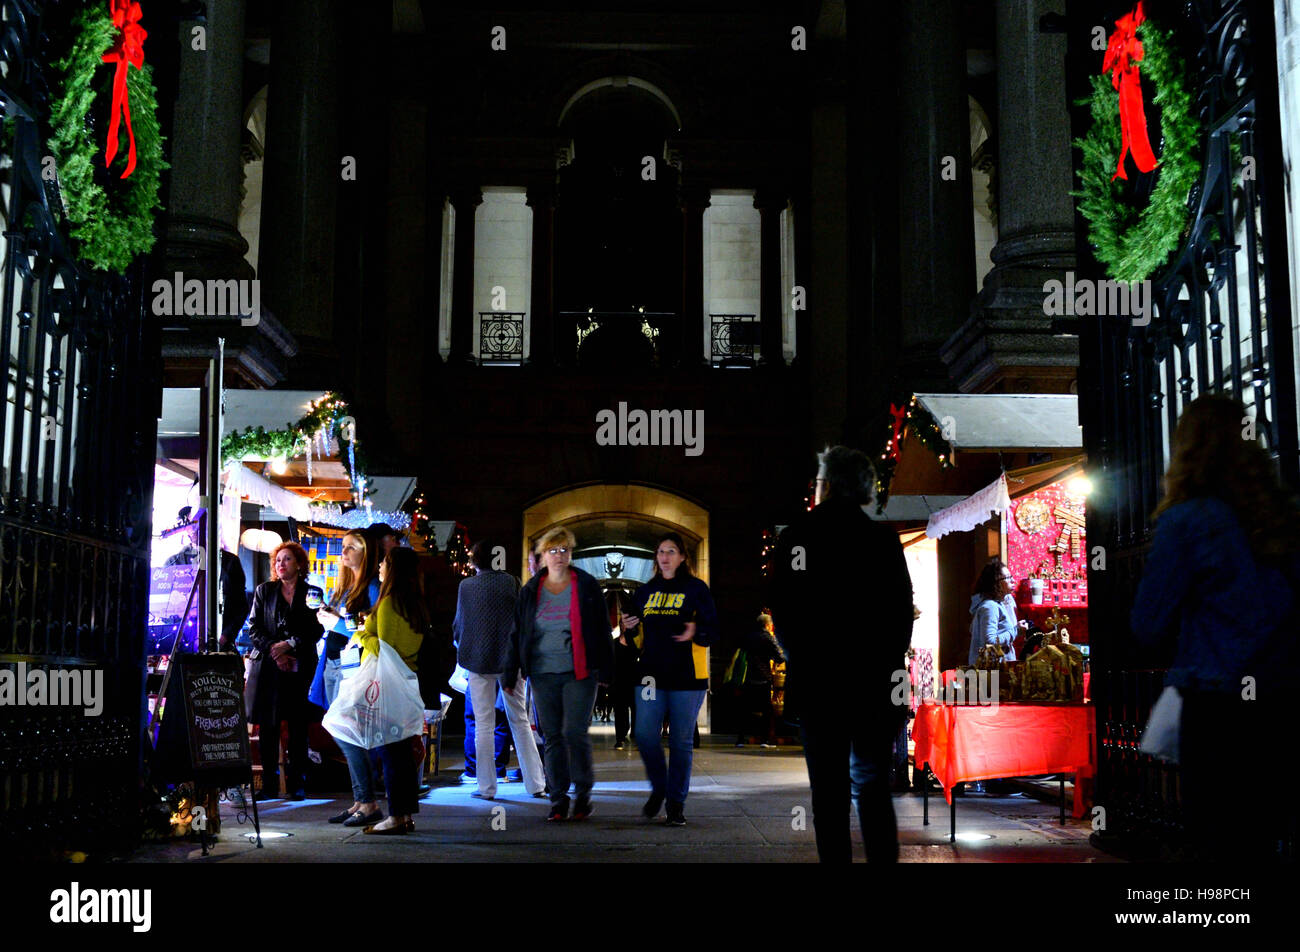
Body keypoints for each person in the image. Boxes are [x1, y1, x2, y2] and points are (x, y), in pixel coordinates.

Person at [1131, 394, 1299, 862]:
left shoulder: (1186, 521)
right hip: (1282, 698)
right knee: (1266, 833)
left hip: (1214, 701)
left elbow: (1148, 623)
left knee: (1218, 840)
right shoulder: (1282, 518)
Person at [771, 445, 914, 862]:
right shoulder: (882, 540)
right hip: (873, 683)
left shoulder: (797, 537)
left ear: (827, 484)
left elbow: (785, 613)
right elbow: (900, 616)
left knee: (828, 794)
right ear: (866, 489)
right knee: (872, 786)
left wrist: (802, 656)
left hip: (819, 683)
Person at [504, 527, 613, 821]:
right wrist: (509, 672)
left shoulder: (586, 585)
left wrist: (605, 668)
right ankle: (558, 799)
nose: (559, 556)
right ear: (542, 556)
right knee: (551, 736)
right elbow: (518, 633)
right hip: (542, 672)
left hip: (579, 671)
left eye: (565, 550)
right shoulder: (530, 591)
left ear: (571, 553)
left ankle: (583, 796)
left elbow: (602, 629)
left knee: (574, 733)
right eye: (553, 550)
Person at [620, 532, 718, 826]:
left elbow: (712, 628)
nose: (665, 556)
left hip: (687, 675)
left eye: (671, 551)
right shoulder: (645, 592)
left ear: (683, 557)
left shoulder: (696, 589)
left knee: (680, 741)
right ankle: (659, 786)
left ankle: (675, 803)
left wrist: (695, 631)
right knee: (646, 734)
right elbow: (635, 640)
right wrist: (629, 628)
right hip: (650, 675)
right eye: (661, 551)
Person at [453, 539, 546, 800]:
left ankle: (487, 787)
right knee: (520, 721)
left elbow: (458, 626)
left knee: (483, 724)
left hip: (477, 662)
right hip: (509, 663)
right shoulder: (512, 582)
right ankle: (536, 784)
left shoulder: (466, 586)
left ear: (474, 561)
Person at [309, 530, 383, 826]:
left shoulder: (372, 588)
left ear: (367, 554)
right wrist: (329, 617)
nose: (345, 552)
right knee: (345, 731)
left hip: (356, 668)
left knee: (348, 733)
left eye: (353, 547)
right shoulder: (344, 587)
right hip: (335, 663)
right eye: (343, 546)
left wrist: (337, 623)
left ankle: (368, 801)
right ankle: (360, 801)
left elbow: (373, 634)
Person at [355, 547, 430, 835]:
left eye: (384, 563)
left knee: (391, 753)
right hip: (407, 682)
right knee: (400, 753)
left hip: (387, 685)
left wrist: (363, 634)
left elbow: (385, 650)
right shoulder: (415, 603)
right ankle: (405, 814)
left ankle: (396, 816)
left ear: (394, 569)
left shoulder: (388, 604)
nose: (380, 568)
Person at [246, 541, 323, 801]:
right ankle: (268, 784)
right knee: (268, 726)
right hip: (269, 668)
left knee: (298, 726)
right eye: (278, 560)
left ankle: (297, 783)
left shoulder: (312, 591)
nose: (281, 564)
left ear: (299, 564)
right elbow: (254, 629)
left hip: (301, 668)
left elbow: (317, 629)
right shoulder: (264, 591)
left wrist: (291, 644)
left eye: (287, 559)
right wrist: (275, 649)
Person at [735, 612, 785, 748]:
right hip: (763, 678)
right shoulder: (768, 637)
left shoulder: (749, 636)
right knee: (767, 711)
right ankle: (764, 740)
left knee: (745, 710)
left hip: (748, 677)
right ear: (767, 625)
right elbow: (780, 657)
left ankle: (740, 739)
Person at [968, 559, 1026, 666]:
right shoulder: (990, 607)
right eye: (1008, 577)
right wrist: (1016, 631)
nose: (1013, 580)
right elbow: (989, 642)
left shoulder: (998, 604)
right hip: (992, 674)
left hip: (997, 670)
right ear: (997, 582)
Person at [608, 590, 638, 750]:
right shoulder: (614, 642)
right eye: (622, 622)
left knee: (637, 709)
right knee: (620, 711)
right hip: (618, 681)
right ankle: (620, 737)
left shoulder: (637, 641)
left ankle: (635, 734)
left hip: (635, 680)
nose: (624, 624)